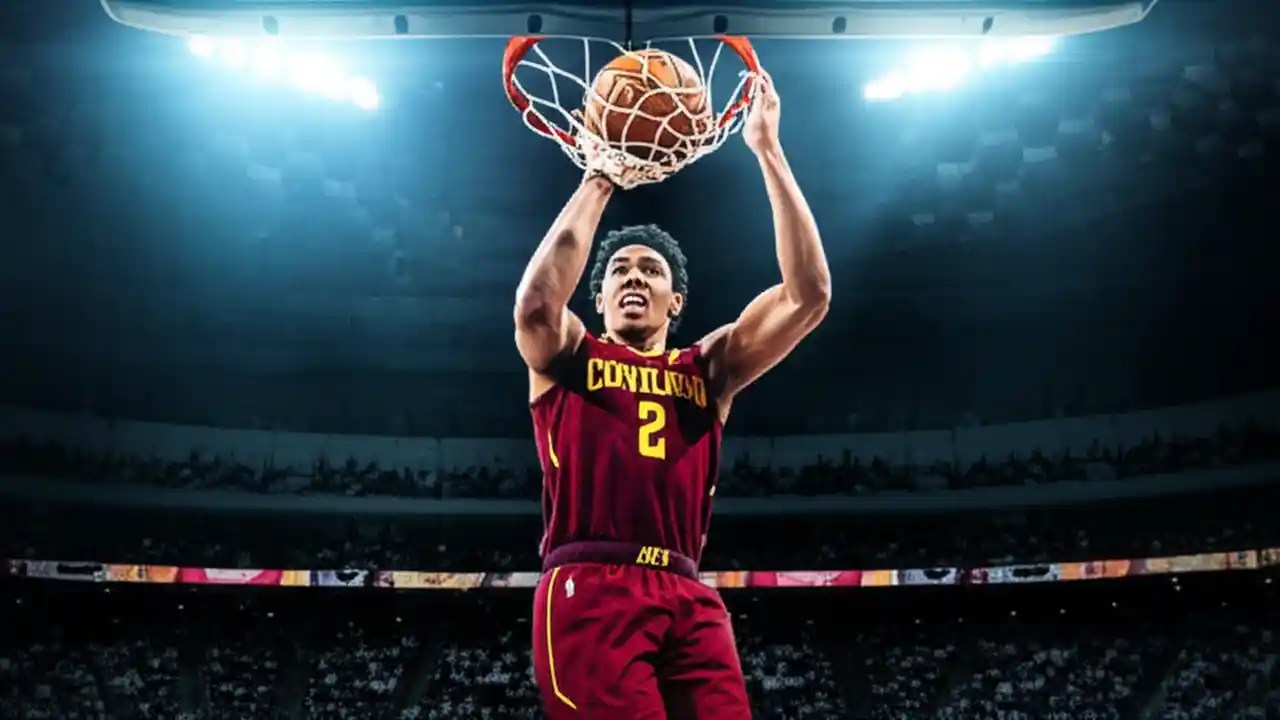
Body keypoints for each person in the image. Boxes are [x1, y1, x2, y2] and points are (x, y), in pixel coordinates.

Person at [513, 74, 830, 719]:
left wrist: (768, 148)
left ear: (674, 301)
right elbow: (536, 303)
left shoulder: (708, 370)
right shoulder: (571, 356)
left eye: (649, 270)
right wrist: (600, 177)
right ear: (596, 298)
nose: (633, 277)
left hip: (687, 589)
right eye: (618, 272)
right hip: (590, 582)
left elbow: (809, 295)